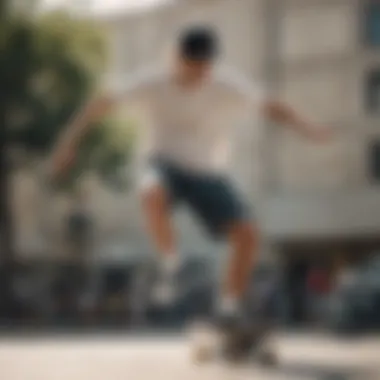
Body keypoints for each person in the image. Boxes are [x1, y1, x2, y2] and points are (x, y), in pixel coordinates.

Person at [51, 26, 332, 332]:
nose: (198, 75)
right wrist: (67, 143)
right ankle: (172, 264)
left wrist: (309, 128)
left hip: (209, 171)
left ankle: (229, 307)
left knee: (248, 235)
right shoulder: (151, 82)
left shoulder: (226, 85)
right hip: (165, 162)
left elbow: (272, 106)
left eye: (204, 69)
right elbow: (100, 104)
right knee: (150, 192)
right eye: (191, 68)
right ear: (175, 58)